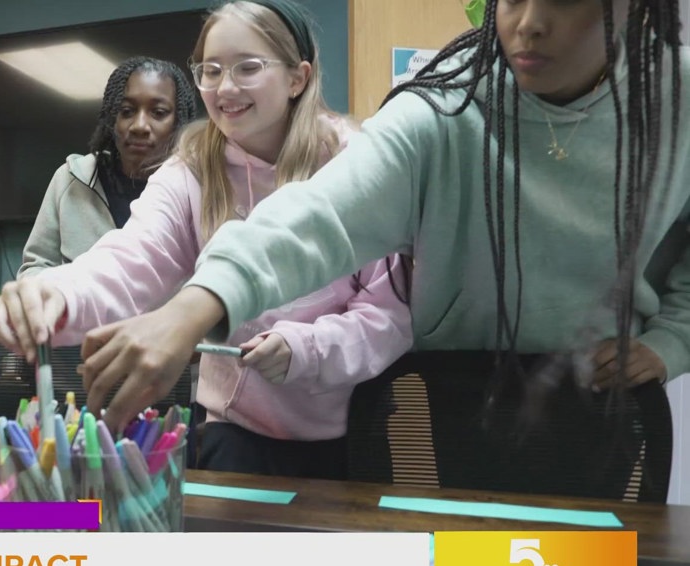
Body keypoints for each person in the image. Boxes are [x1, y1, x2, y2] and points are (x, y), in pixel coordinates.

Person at [47, 0, 688, 495]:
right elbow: (317, 217)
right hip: (446, 397)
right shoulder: (443, 105)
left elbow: (382, 309)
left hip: (592, 399)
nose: (528, 25)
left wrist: (673, 339)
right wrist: (188, 308)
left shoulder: (676, 101)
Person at [0, 0, 412, 479]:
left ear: (298, 77)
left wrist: (303, 348)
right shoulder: (191, 168)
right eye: (210, 71)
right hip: (232, 432)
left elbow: (388, 314)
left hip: (354, 432)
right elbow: (130, 259)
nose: (225, 88)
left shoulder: (357, 164)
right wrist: (54, 295)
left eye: (248, 68)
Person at [17, 56, 198, 278]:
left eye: (158, 113)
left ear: (179, 121)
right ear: (112, 118)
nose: (140, 126)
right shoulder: (71, 179)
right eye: (127, 111)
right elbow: (35, 268)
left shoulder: (197, 188)